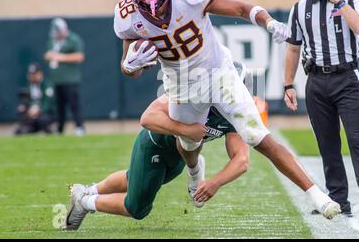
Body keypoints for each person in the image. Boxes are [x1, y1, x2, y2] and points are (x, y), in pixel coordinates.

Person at [113, 0, 341, 220]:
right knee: (189, 143)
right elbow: (129, 68)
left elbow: (241, 9)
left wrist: (268, 22)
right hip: (181, 85)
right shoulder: (127, 17)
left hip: (218, 73)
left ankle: (317, 195)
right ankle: (195, 169)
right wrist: (130, 66)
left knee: (258, 136)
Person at [64, 87, 249, 230]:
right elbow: (147, 118)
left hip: (179, 156)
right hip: (155, 146)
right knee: (137, 208)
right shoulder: (190, 91)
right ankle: (84, 202)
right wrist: (186, 130)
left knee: (134, 179)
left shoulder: (233, 112)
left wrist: (215, 183)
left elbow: (241, 160)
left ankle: (88, 191)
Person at [283, 0, 359, 219]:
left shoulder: (350, 0)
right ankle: (339, 199)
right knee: (327, 143)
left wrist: (338, 1)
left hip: (346, 79)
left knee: (358, 141)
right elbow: (292, 48)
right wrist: (288, 84)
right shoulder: (300, 8)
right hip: (316, 81)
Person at [44, 18, 85, 136]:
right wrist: (49, 55)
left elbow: (79, 56)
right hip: (56, 80)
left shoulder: (73, 40)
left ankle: (79, 127)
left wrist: (60, 57)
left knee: (74, 105)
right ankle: (60, 128)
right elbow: (48, 54)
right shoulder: (53, 41)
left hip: (70, 80)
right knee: (59, 107)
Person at [15, 63, 55, 135]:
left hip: (45, 114)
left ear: (40, 74)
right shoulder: (29, 86)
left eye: (34, 74)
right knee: (20, 131)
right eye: (31, 74)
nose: (32, 76)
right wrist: (25, 108)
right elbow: (27, 101)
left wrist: (38, 110)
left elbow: (48, 102)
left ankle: (50, 132)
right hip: (32, 116)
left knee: (43, 119)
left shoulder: (46, 85)